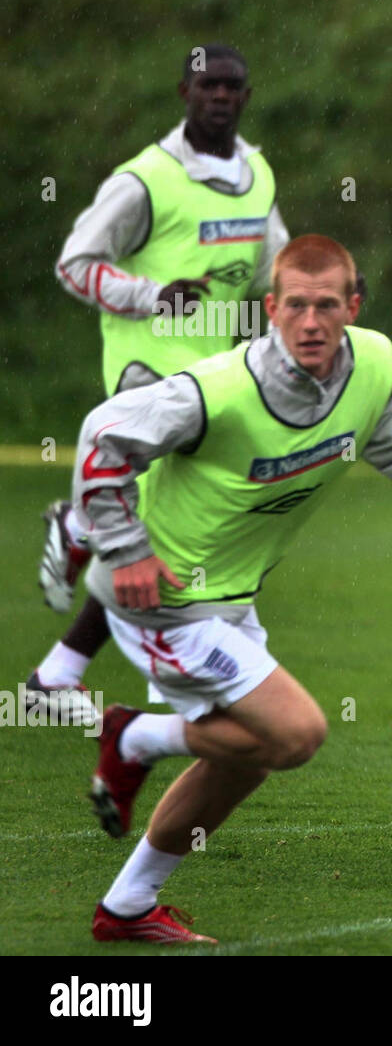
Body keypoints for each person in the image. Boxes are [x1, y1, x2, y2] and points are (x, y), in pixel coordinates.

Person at [76, 235, 392, 943]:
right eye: (296, 305)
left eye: (328, 305)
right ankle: (135, 736)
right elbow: (102, 435)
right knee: (295, 733)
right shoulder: (222, 389)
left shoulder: (378, 367)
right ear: (272, 308)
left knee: (245, 760)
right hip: (158, 599)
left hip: (231, 598)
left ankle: (127, 908)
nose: (312, 322)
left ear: (352, 307)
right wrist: (126, 550)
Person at [31, 44, 290, 723]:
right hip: (147, 377)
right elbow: (75, 264)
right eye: (209, 85)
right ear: (185, 91)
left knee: (159, 536)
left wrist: (319, 290)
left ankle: (62, 657)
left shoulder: (256, 176)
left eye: (233, 86)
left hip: (215, 383)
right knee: (164, 536)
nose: (221, 97)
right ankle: (156, 698)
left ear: (246, 95)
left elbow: (276, 268)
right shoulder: (145, 181)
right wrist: (150, 294)